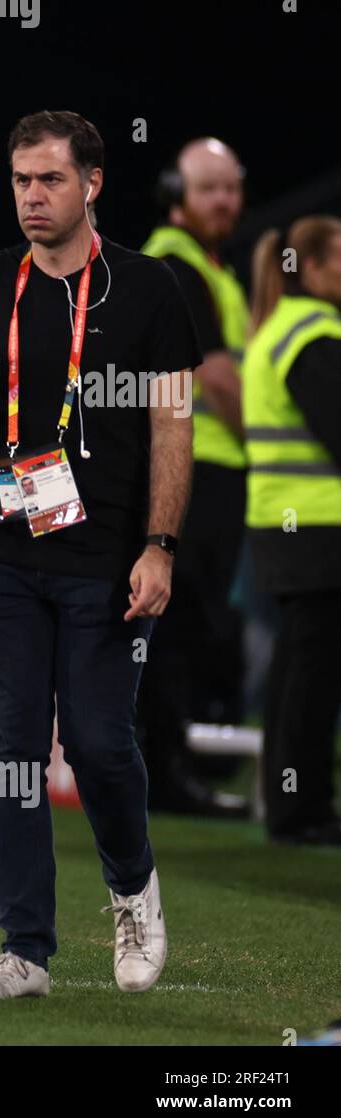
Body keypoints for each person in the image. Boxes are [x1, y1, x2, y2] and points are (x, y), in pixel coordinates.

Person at [0, 110, 200, 998]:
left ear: (93, 183)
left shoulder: (151, 290)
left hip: (106, 557)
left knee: (95, 741)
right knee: (9, 747)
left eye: (50, 180)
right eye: (20, 181)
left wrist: (159, 547)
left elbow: (173, 427)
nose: (32, 198)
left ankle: (130, 885)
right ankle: (24, 949)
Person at [136, 138, 251, 816]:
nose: (225, 202)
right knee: (182, 622)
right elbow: (218, 377)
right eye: (210, 188)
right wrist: (262, 442)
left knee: (191, 621)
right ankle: (168, 771)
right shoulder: (181, 264)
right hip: (198, 465)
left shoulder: (211, 268)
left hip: (213, 465)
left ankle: (170, 766)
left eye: (233, 189)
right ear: (177, 190)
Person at [243, 216, 341, 845]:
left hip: (283, 520)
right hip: (317, 522)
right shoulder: (315, 333)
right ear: (311, 266)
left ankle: (290, 804)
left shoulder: (276, 329)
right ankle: (301, 809)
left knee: (297, 664)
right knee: (313, 668)